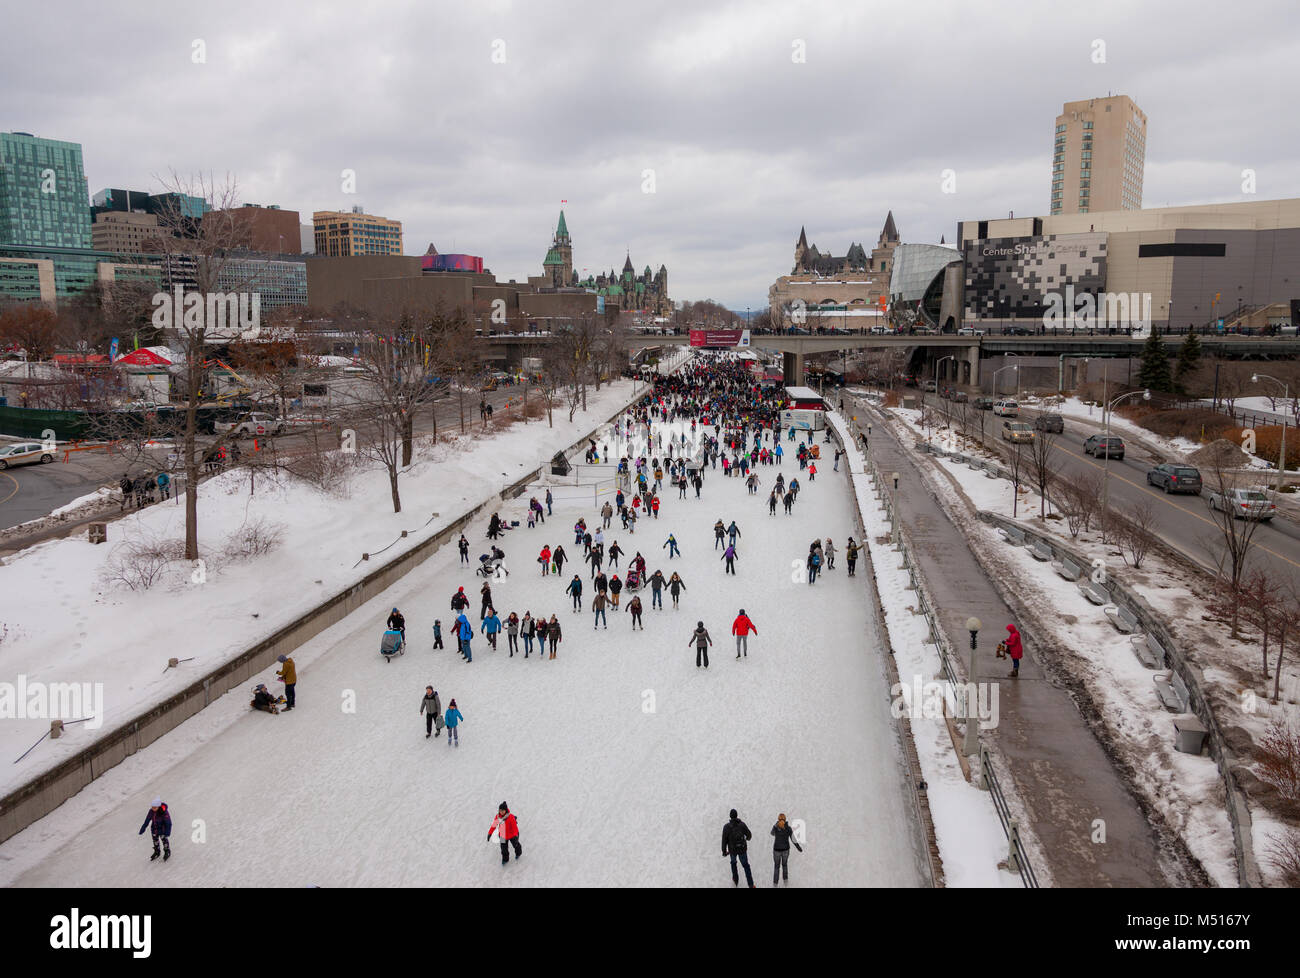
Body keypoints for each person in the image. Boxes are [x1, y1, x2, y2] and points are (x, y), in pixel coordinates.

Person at [721, 809, 754, 887]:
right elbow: (749, 835)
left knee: (733, 863)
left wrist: (724, 851)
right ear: (737, 815)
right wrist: (747, 839)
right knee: (746, 866)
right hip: (742, 849)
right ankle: (751, 885)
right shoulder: (742, 824)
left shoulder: (726, 827)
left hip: (732, 850)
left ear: (730, 816)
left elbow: (724, 840)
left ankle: (735, 880)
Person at [771, 813, 803, 885]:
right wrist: (798, 848)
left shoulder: (776, 827)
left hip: (776, 850)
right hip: (786, 850)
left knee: (776, 867)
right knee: (784, 865)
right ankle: (785, 881)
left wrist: (775, 825)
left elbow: (772, 833)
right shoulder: (788, 828)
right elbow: (793, 839)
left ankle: (775, 883)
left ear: (778, 819)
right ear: (785, 820)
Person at [139, 797, 172, 861]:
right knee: (155, 842)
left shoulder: (164, 812)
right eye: (152, 807)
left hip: (162, 830)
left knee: (164, 841)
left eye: (154, 807)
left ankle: (167, 851)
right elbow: (147, 820)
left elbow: (168, 823)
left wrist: (168, 832)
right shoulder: (151, 811)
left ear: (158, 806)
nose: (153, 808)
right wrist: (143, 827)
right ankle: (157, 851)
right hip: (154, 829)